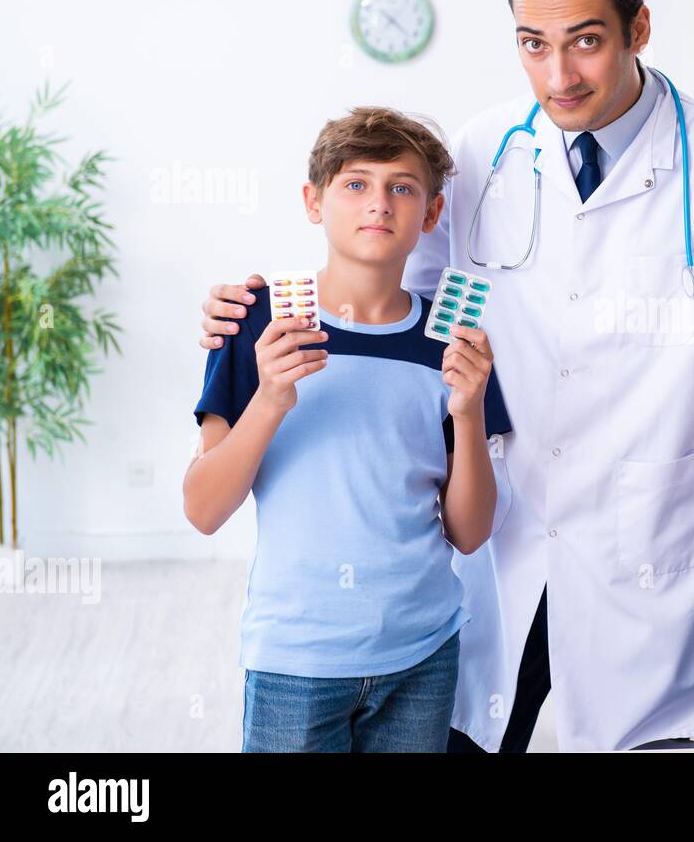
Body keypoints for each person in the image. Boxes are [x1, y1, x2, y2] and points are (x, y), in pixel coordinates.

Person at [199, 0, 694, 752]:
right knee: (481, 730)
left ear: (639, 29)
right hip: (495, 539)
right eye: (533, 44)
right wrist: (253, 308)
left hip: (645, 545)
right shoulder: (483, 150)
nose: (559, 75)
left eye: (585, 43)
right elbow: (393, 287)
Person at [184, 107, 513, 751]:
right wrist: (272, 397)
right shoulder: (257, 326)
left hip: (423, 652)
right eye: (355, 184)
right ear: (314, 201)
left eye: (402, 187)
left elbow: (470, 534)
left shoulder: (454, 341)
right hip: (296, 655)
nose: (379, 204)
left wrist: (468, 411)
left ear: (432, 212)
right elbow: (202, 509)